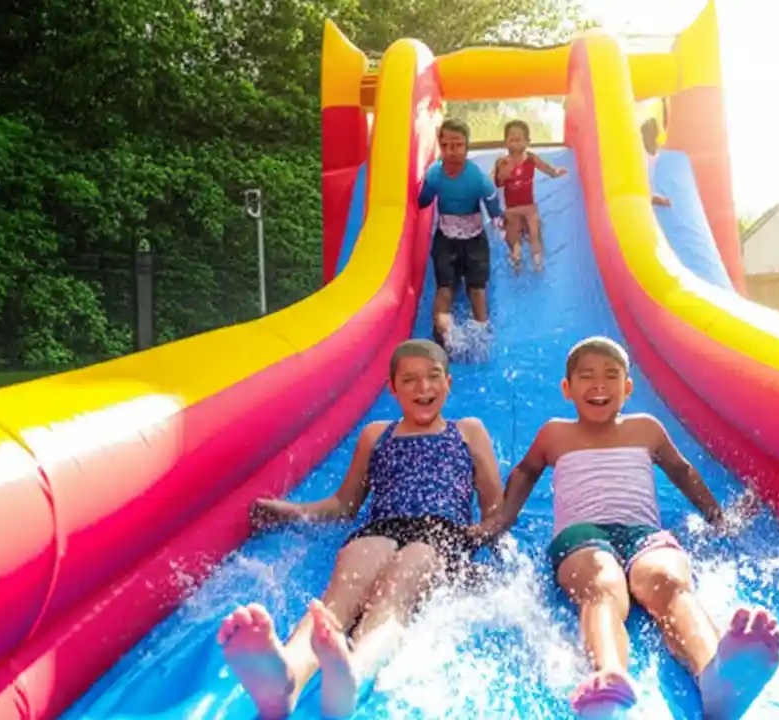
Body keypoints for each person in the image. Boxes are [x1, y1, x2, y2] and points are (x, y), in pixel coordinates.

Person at [469, 336, 779, 719]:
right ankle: (608, 682)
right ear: (567, 389)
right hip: (582, 535)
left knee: (667, 580)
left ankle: (716, 675)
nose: (599, 385)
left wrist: (719, 517)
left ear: (628, 387)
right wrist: (499, 521)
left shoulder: (645, 428)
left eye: (611, 376)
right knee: (601, 585)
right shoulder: (554, 434)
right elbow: (525, 473)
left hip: (643, 534)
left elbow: (682, 471)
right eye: (586, 377)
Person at [218, 339, 503, 719]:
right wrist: (289, 511)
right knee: (343, 588)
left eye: (433, 378)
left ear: (449, 382)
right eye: (411, 380)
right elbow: (344, 505)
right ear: (393, 388)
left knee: (398, 586)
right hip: (381, 527)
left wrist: (480, 537)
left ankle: (355, 671)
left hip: (441, 532)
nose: (424, 388)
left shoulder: (468, 431)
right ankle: (288, 675)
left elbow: (494, 509)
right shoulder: (376, 435)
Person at [418, 118, 504, 350]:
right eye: (445, 145)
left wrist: (498, 221)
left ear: (467, 147)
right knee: (445, 287)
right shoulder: (435, 174)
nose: (450, 151)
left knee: (476, 288)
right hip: (446, 239)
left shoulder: (476, 177)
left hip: (474, 238)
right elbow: (423, 200)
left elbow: (492, 202)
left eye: (457, 145)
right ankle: (444, 336)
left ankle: (481, 334)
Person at [492, 119, 568, 273]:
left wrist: (555, 172)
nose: (515, 141)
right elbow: (498, 183)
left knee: (534, 232)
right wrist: (504, 173)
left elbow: (547, 169)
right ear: (505, 142)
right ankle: (516, 259)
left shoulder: (532, 159)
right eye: (511, 138)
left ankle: (537, 261)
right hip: (512, 209)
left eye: (519, 139)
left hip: (529, 207)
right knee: (514, 237)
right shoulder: (502, 162)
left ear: (527, 142)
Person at [641, 117, 673, 208]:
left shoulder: (646, 153)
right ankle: (654, 198)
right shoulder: (654, 152)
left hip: (644, 188)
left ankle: (653, 198)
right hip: (646, 188)